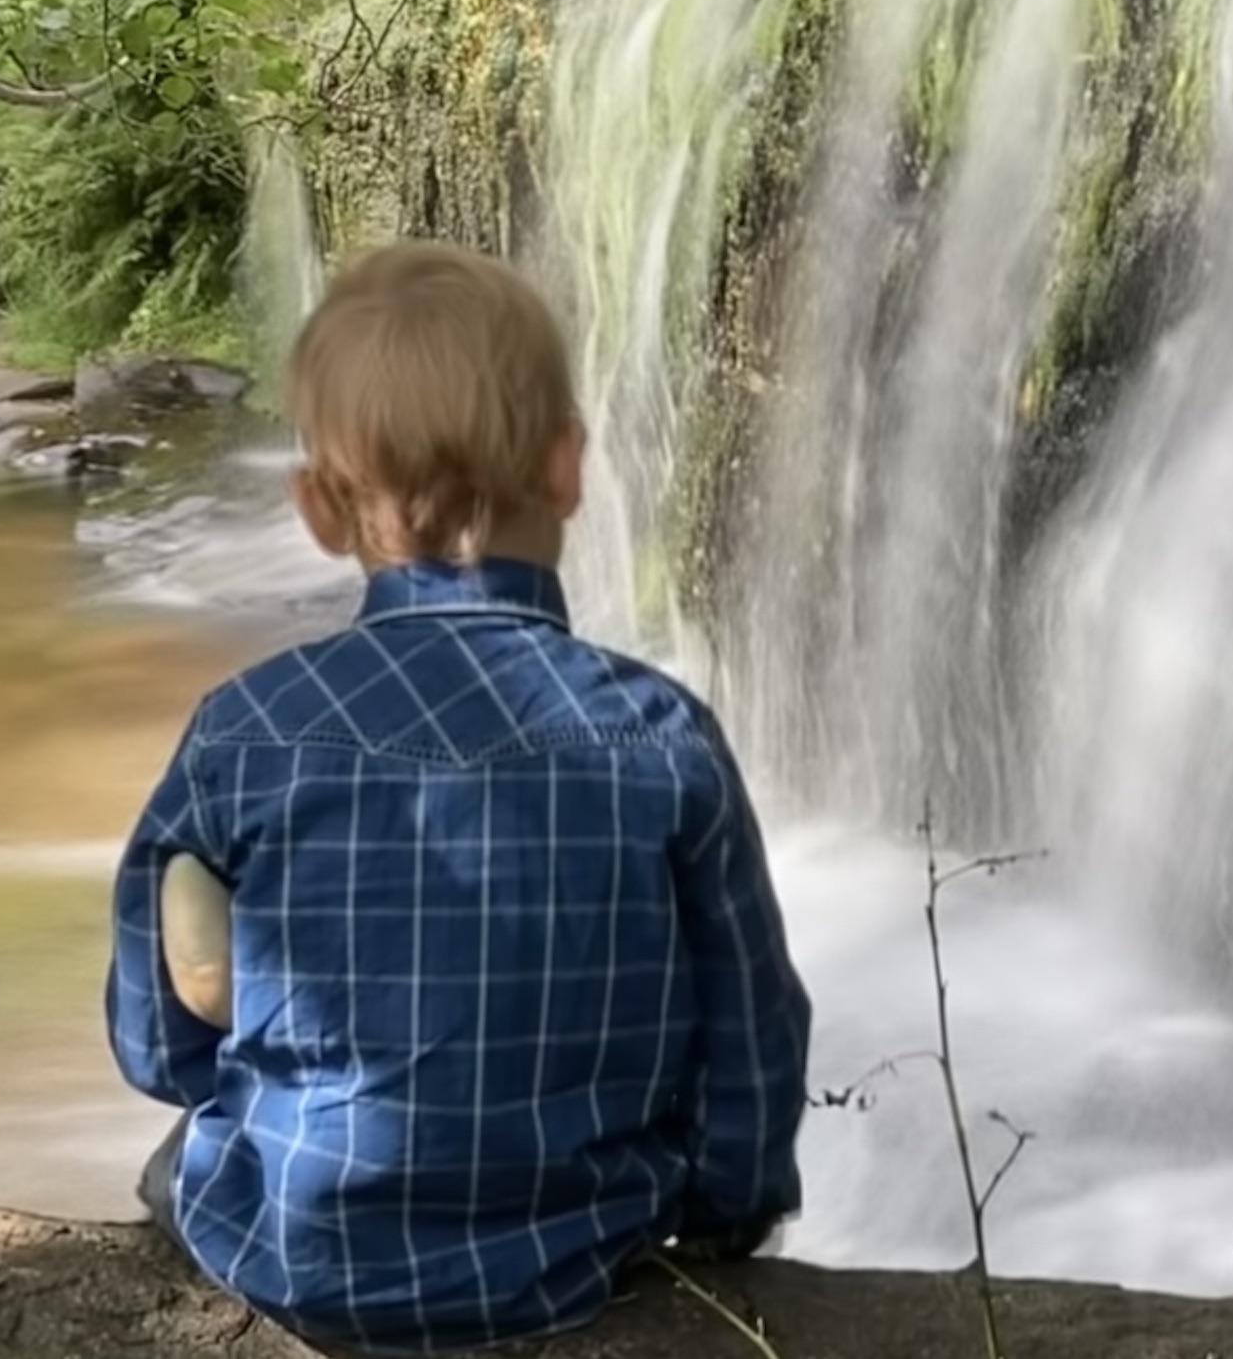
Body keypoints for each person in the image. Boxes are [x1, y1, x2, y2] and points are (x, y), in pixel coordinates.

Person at [107, 242, 811, 1355]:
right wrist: (730, 1209)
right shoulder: (657, 731)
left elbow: (155, 1038)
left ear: (319, 508)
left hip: (296, 1246)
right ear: (569, 467)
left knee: (174, 1164)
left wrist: (257, 1088)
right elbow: (752, 1031)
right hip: (575, 1253)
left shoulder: (243, 730)